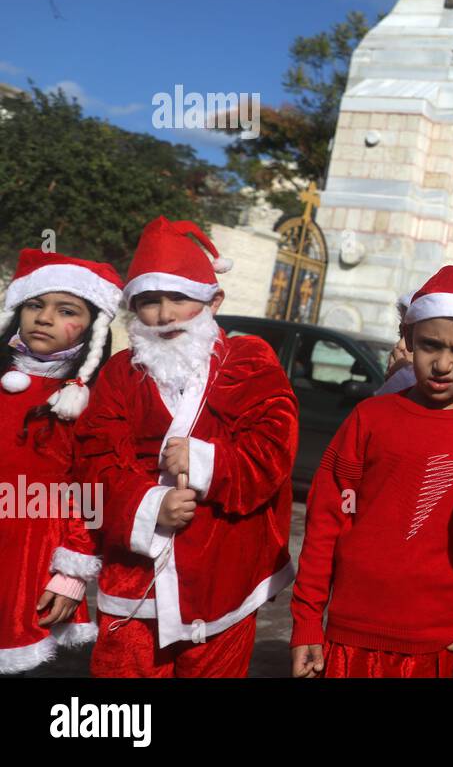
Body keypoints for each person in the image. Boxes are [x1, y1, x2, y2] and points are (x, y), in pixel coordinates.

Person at [74, 217, 298, 677]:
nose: (165, 314)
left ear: (212, 301)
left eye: (179, 298)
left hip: (224, 573)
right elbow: (93, 460)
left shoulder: (249, 362)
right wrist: (150, 504)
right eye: (150, 302)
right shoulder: (120, 374)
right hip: (135, 577)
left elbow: (274, 451)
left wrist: (205, 462)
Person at [290, 266, 453, 678]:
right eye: (430, 345)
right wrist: (308, 621)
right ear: (409, 339)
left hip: (444, 646)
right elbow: (324, 522)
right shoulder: (369, 417)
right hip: (351, 638)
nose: (442, 364)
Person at [0, 250, 121, 673]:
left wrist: (71, 575)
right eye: (36, 305)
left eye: (65, 310)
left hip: (28, 557)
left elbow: (88, 496)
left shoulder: (88, 403)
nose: (44, 318)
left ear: (93, 329)